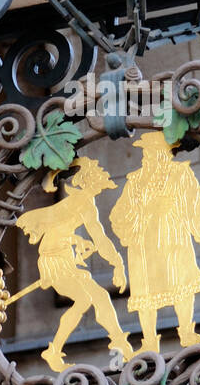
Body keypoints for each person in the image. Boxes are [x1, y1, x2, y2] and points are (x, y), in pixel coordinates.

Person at [110, 132, 200, 352]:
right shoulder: (136, 180)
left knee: (182, 283)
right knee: (145, 291)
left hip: (173, 235)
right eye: (145, 152)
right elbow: (120, 212)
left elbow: (196, 203)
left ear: (164, 153)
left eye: (151, 151)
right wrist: (132, 223)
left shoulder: (180, 173)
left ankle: (186, 331)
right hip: (143, 242)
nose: (146, 156)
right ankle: (149, 341)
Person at [15, 157, 131, 371]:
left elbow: (65, 229)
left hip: (64, 258)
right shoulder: (83, 203)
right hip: (55, 259)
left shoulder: (81, 202)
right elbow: (99, 239)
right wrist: (117, 264)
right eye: (96, 181)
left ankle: (120, 344)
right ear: (86, 182)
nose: (99, 185)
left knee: (100, 296)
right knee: (85, 299)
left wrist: (76, 241)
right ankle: (54, 350)